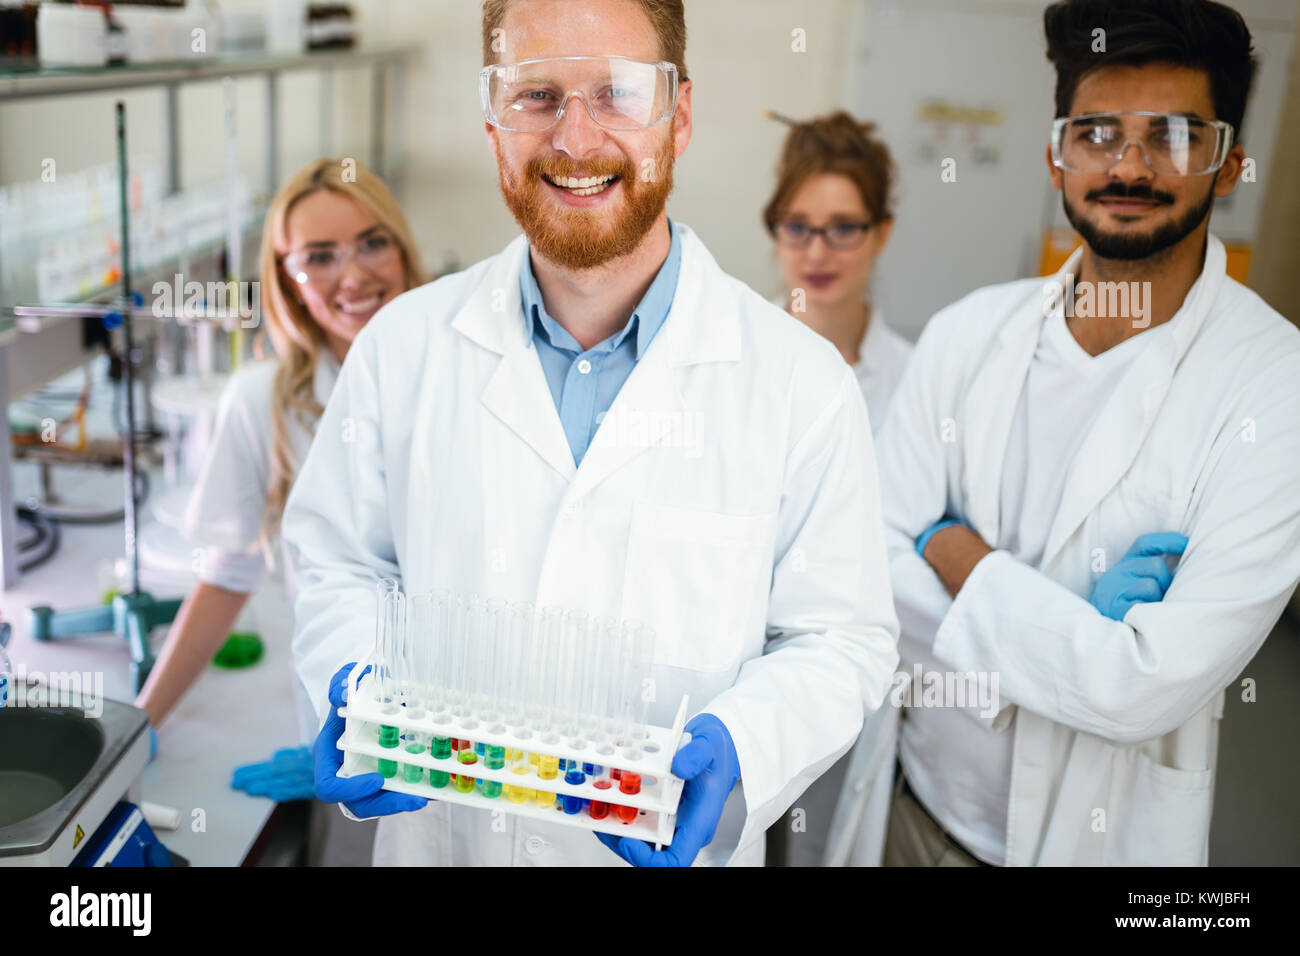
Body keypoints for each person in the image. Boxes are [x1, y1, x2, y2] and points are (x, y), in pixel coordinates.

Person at [285, 0, 900, 867]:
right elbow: (335, 561)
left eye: (615, 92)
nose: (575, 140)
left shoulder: (802, 385)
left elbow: (841, 639)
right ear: (492, 122)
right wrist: (355, 680)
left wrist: (741, 742)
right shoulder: (402, 348)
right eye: (536, 95)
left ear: (678, 115)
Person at [875, 0, 1300, 866]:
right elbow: (870, 574)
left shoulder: (1275, 384)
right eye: (1098, 132)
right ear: (1057, 153)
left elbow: (1136, 688)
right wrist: (1070, 625)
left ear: (1228, 165)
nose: (1130, 165)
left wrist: (957, 554)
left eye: (1175, 134)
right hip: (912, 804)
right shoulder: (965, 333)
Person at [134, 157, 423, 797]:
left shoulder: (467, 375)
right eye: (319, 256)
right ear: (287, 281)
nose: (354, 274)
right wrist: (141, 721)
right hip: (339, 729)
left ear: (402, 249)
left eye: (373, 242)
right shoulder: (261, 400)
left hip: (473, 724)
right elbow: (227, 573)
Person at [760, 110, 911, 866]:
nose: (818, 252)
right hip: (739, 681)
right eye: (798, 226)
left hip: (857, 694)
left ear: (881, 233)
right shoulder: (733, 364)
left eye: (844, 227)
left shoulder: (918, 382)